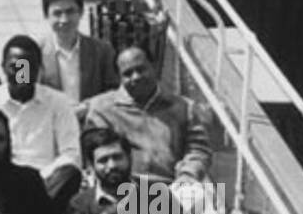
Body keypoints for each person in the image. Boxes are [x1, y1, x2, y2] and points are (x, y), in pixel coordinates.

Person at [62, 126, 205, 214]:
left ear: (129, 157)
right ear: (91, 166)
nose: (112, 165)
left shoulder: (154, 194)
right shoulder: (81, 203)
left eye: (117, 157)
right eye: (103, 160)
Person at [0, 36, 82, 209]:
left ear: (40, 69)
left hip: (46, 184)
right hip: (0, 183)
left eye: (28, 66)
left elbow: (71, 155)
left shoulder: (58, 102)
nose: (22, 73)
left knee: (70, 172)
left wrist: (35, 181)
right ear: (3, 68)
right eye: (16, 66)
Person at [84, 45, 212, 185]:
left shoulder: (183, 107)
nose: (136, 77)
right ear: (119, 78)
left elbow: (198, 150)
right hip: (122, 187)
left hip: (174, 185)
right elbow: (99, 155)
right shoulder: (102, 109)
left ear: (154, 67)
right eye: (128, 73)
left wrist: (188, 174)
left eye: (141, 69)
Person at [38, 0, 118, 117]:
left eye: (70, 12)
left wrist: (88, 107)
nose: (64, 20)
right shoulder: (30, 53)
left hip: (90, 124)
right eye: (57, 13)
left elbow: (114, 91)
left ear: (81, 12)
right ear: (46, 15)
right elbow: (20, 90)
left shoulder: (103, 50)